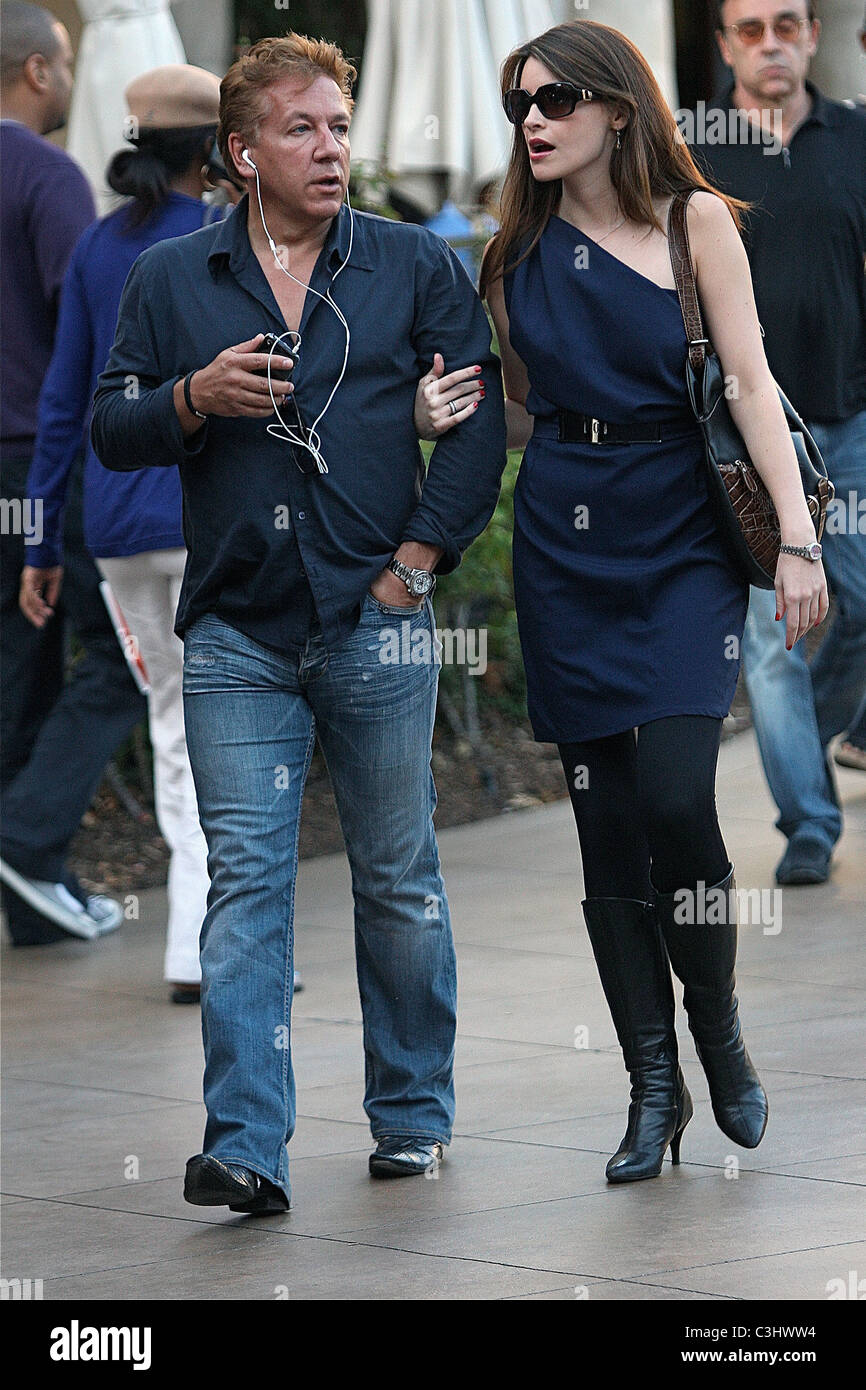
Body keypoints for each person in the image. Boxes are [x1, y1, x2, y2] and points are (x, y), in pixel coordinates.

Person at [90, 33, 507, 1213]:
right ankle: (246, 1146)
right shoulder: (171, 279)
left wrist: (414, 565)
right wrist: (189, 398)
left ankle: (412, 1116)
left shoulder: (411, 264)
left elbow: (474, 420)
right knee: (247, 885)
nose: (328, 150)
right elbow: (112, 424)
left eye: (337, 126)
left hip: (375, 617)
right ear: (240, 152)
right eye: (299, 130)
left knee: (397, 879)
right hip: (235, 635)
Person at [416, 17, 827, 1183]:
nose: (531, 123)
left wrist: (796, 539)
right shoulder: (510, 254)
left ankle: (715, 1026)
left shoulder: (697, 222)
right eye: (516, 107)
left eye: (551, 101)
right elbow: (502, 412)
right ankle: (651, 1087)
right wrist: (422, 422)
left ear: (615, 107)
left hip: (683, 529)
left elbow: (746, 381)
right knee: (603, 833)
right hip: (562, 537)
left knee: (677, 802)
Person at [20, 65, 226, 1002]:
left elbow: (62, 406)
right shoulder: (227, 241)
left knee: (175, 727)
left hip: (112, 531)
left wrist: (36, 546)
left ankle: (198, 941)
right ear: (219, 149)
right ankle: (206, 942)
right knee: (236, 727)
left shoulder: (101, 247)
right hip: (202, 518)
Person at [688, 0, 866, 886]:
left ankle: (821, 730)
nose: (770, 43)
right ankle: (808, 821)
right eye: (750, 29)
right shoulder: (693, 148)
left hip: (854, 417)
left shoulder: (857, 138)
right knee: (774, 639)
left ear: (812, 35)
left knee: (857, 606)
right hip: (748, 441)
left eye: (786, 24)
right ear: (725, 45)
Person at [0, 0, 145, 945]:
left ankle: (32, 886)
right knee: (101, 651)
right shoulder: (45, 176)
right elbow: (84, 330)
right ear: (41, 71)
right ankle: (26, 842)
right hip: (29, 460)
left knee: (25, 664)